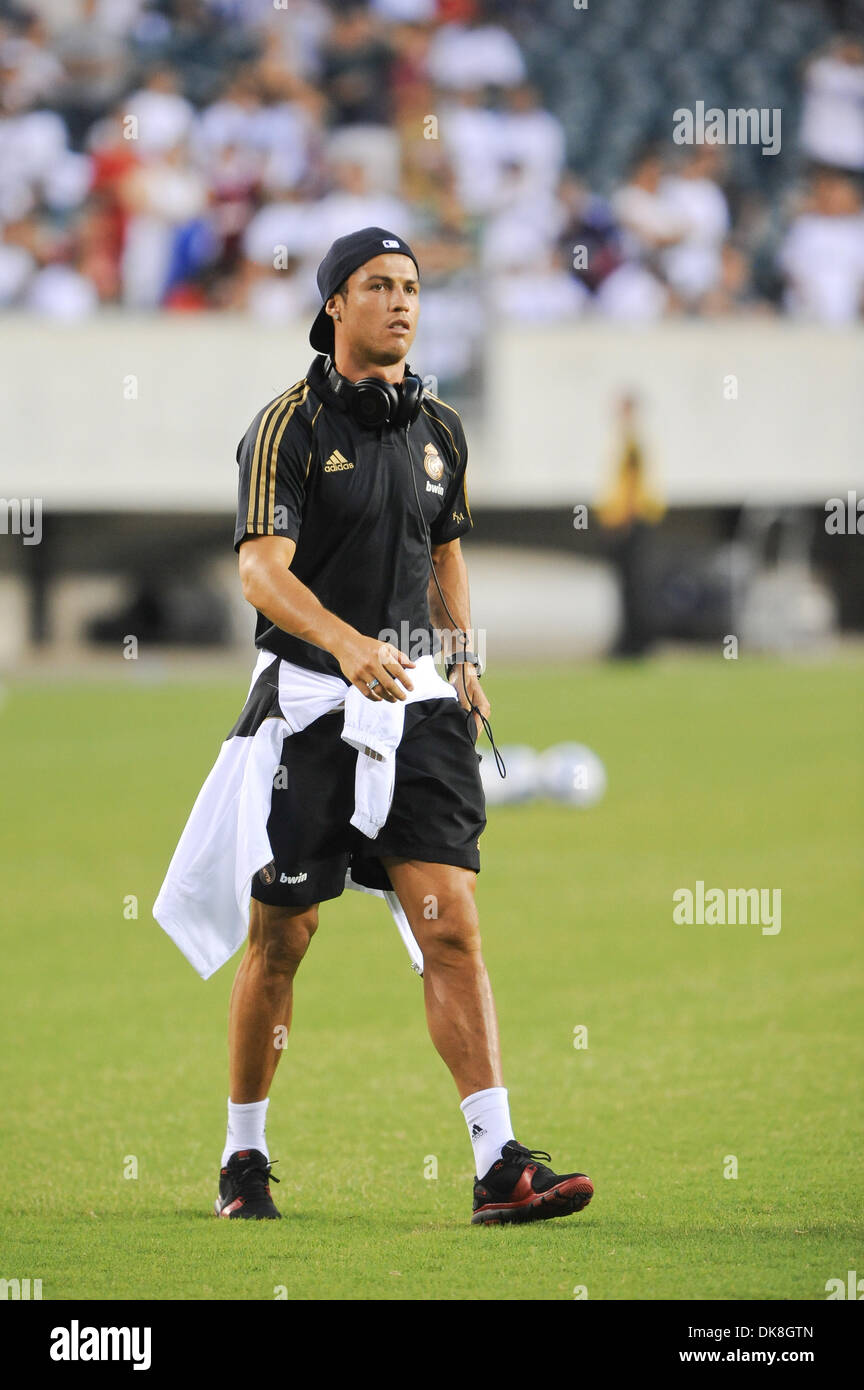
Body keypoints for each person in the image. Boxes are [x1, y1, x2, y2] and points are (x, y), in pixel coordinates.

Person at [215, 226, 594, 1224]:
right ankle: (242, 1158)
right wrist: (346, 645)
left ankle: (498, 1163)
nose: (401, 302)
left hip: (418, 703)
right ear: (335, 304)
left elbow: (445, 551)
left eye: (413, 288)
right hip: (309, 710)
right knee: (284, 935)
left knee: (453, 932)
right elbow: (261, 569)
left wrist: (464, 659)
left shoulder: (441, 430)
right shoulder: (288, 427)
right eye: (378, 286)